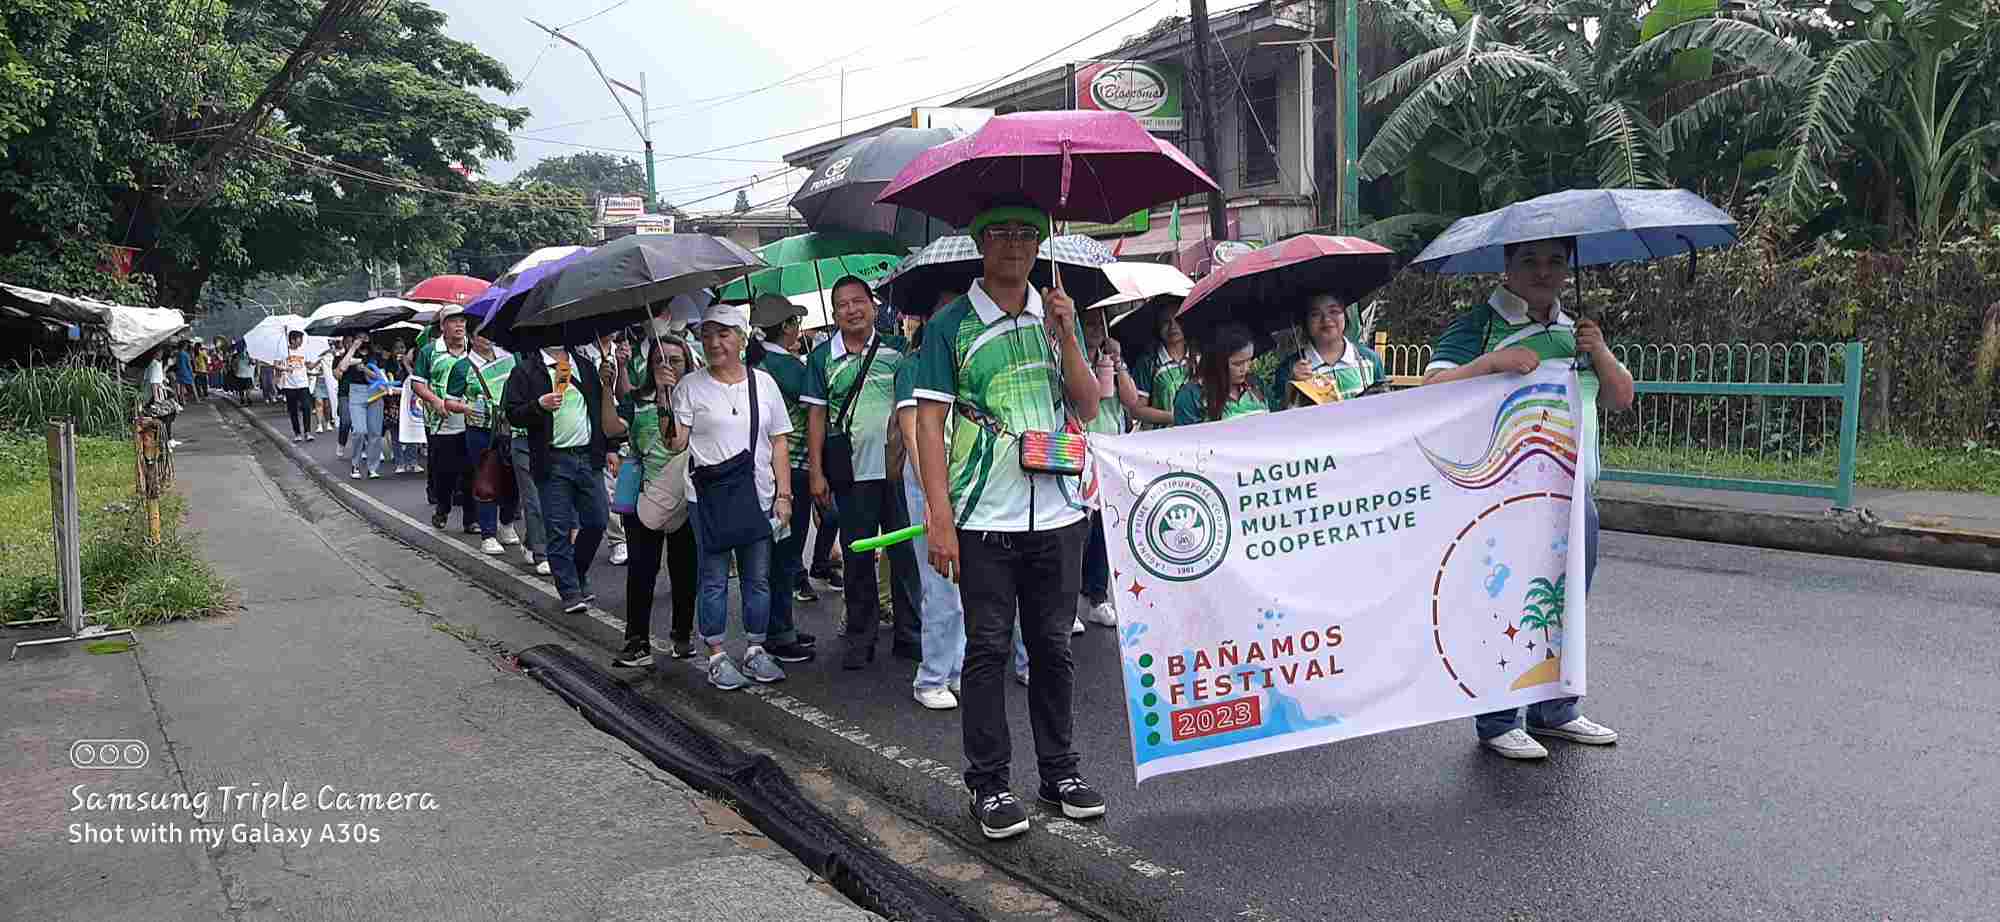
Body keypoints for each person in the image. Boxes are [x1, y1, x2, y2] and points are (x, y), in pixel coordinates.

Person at [912, 203, 1108, 840]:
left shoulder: (1056, 314)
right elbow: (930, 425)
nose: (1017, 246)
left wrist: (1070, 335)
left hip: (1059, 514)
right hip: (983, 515)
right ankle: (989, 783)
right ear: (980, 242)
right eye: (1001, 234)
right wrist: (939, 517)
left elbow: (1087, 404)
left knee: (1053, 648)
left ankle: (1060, 771)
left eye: (1028, 234)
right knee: (989, 650)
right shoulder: (950, 326)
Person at [1421, 236, 1635, 760]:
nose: (1544, 273)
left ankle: (1557, 709)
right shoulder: (1479, 324)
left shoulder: (1575, 333)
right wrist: (1491, 363)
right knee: (1504, 603)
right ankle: (1497, 719)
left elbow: (1620, 399)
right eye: (1529, 262)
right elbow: (1432, 390)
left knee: (1566, 604)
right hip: (1503, 497)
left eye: (1555, 262)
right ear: (1507, 268)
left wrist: (1601, 352)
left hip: (1572, 493)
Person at [669, 303, 794, 690]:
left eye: (723, 333)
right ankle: (717, 655)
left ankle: (756, 650)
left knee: (758, 578)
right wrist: (663, 394)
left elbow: (779, 443)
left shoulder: (764, 383)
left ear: (741, 338)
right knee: (714, 578)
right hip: (708, 499)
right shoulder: (689, 386)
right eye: (707, 335)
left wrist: (784, 495)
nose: (713, 342)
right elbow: (675, 443)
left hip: (758, 494)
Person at [805, 275, 921, 670]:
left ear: (873, 306)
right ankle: (861, 638)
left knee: (904, 555)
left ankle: (911, 636)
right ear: (833, 313)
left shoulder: (897, 349)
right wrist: (816, 472)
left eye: (858, 302)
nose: (852, 310)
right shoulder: (821, 358)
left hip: (897, 471)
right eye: (842, 304)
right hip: (850, 472)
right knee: (858, 558)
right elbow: (816, 416)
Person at [504, 328, 617, 615]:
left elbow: (600, 409)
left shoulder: (585, 364)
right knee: (558, 527)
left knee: (597, 520)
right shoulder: (526, 371)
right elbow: (513, 413)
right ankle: (569, 591)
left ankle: (577, 573)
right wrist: (538, 405)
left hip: (587, 458)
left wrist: (611, 445)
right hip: (552, 460)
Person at [606, 335, 702, 666]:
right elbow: (611, 428)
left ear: (688, 363)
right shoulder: (636, 400)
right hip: (644, 494)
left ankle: (682, 634)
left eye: (675, 360)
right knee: (642, 570)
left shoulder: (698, 399)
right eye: (660, 359)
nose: (667, 366)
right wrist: (607, 387)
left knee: (685, 570)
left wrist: (670, 394)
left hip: (686, 496)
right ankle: (636, 642)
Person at [895, 291, 966, 710]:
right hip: (928, 487)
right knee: (940, 586)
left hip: (965, 484)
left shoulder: (966, 361)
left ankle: (955, 669)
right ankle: (931, 677)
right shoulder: (913, 365)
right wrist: (934, 498)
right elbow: (913, 436)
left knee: (964, 586)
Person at [747, 294, 819, 664]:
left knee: (778, 554)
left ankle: (780, 625)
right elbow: (817, 401)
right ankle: (778, 632)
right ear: (787, 327)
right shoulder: (786, 366)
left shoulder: (756, 362)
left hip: (768, 469)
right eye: (795, 323)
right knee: (785, 554)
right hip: (793, 469)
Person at [1078, 303, 1140, 629]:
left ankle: (1097, 597)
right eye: (1086, 322)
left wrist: (1118, 364)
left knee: (1105, 529)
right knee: (1079, 529)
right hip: (1082, 451)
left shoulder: (1111, 359)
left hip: (1110, 454)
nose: (1093, 329)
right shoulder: (1070, 356)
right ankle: (1071, 601)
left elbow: (1131, 402)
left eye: (1097, 322)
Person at [455, 332, 521, 556]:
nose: (486, 338)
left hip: (511, 428)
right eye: (480, 334)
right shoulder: (463, 366)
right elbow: (449, 401)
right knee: (486, 479)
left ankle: (507, 523)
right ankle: (488, 534)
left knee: (514, 479)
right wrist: (466, 408)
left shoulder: (510, 358)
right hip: (480, 431)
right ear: (471, 338)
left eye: (489, 332)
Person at [414, 308, 476, 533]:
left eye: (462, 321)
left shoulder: (475, 349)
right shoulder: (430, 351)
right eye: (453, 322)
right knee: (445, 473)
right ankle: (442, 508)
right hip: (442, 423)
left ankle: (471, 519)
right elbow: (418, 383)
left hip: (473, 420)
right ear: (442, 326)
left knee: (471, 471)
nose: (459, 326)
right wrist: (436, 401)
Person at [1266, 295, 1387, 407]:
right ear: (1305, 321)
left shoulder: (1369, 359)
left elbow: (1383, 406)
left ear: (1345, 314)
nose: (1326, 319)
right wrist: (1291, 386)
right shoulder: (1289, 369)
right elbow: (1279, 418)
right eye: (1315, 314)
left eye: (1334, 311)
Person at [1174, 322, 1269, 426]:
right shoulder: (1191, 396)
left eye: (1249, 360)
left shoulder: (1256, 384)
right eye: (1237, 364)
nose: (1245, 369)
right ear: (1216, 362)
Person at [1127, 302, 1193, 428]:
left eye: (1177, 319)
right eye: (1166, 322)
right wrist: (1175, 417)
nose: (1173, 326)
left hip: (1200, 432)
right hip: (1162, 439)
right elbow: (1136, 410)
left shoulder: (1198, 355)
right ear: (1157, 327)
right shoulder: (1148, 362)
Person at [276, 330, 316, 442]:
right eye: (300, 339)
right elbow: (276, 365)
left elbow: (310, 365)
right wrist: (285, 368)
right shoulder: (283, 350)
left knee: (306, 407)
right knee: (293, 410)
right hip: (289, 385)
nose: (301, 341)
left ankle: (307, 432)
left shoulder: (303, 350)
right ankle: (297, 433)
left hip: (303, 384)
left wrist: (320, 359)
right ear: (293, 340)